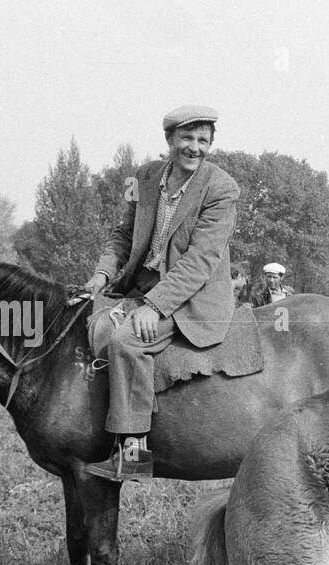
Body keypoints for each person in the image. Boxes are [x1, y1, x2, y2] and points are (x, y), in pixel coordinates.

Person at [82, 104, 240, 482]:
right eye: (186, 138)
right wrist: (103, 273)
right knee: (87, 322)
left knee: (127, 341)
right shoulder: (146, 177)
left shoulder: (221, 188)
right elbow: (123, 234)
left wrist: (154, 306)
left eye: (203, 140)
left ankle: (134, 453)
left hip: (193, 297)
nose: (194, 148)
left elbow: (200, 260)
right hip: (142, 285)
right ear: (169, 139)